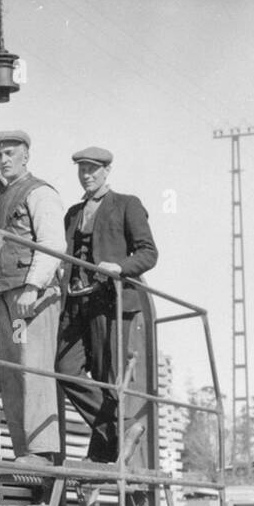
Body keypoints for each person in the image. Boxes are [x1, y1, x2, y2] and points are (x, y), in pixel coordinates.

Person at [55, 146, 158, 463]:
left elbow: (148, 253)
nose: (86, 175)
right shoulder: (73, 213)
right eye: (82, 169)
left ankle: (101, 452)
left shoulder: (127, 205)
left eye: (92, 170)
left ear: (106, 171)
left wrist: (120, 267)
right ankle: (121, 430)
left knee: (107, 377)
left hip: (109, 302)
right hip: (76, 304)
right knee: (63, 369)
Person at [0, 130, 66, 468]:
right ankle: (24, 450)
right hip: (7, 297)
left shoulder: (40, 193)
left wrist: (33, 287)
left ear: (26, 155)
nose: (4, 159)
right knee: (14, 372)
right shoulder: (4, 198)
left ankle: (42, 451)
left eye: (10, 152)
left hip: (31, 297)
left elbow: (52, 243)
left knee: (34, 367)